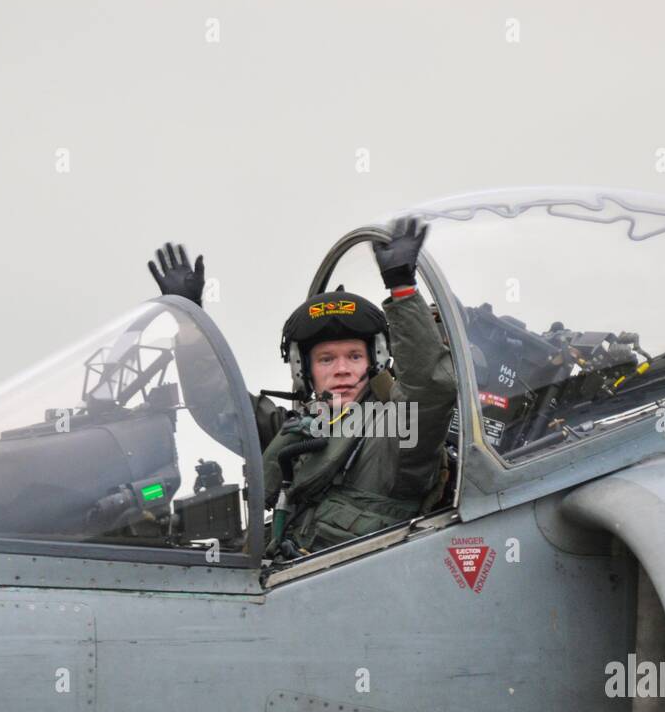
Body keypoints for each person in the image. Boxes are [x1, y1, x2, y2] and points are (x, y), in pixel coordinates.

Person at [149, 218, 457, 557]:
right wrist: (189, 323)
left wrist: (402, 290)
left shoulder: (398, 433)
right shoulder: (296, 433)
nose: (341, 369)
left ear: (377, 360)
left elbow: (429, 389)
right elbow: (217, 406)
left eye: (354, 356)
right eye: (326, 359)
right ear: (304, 370)